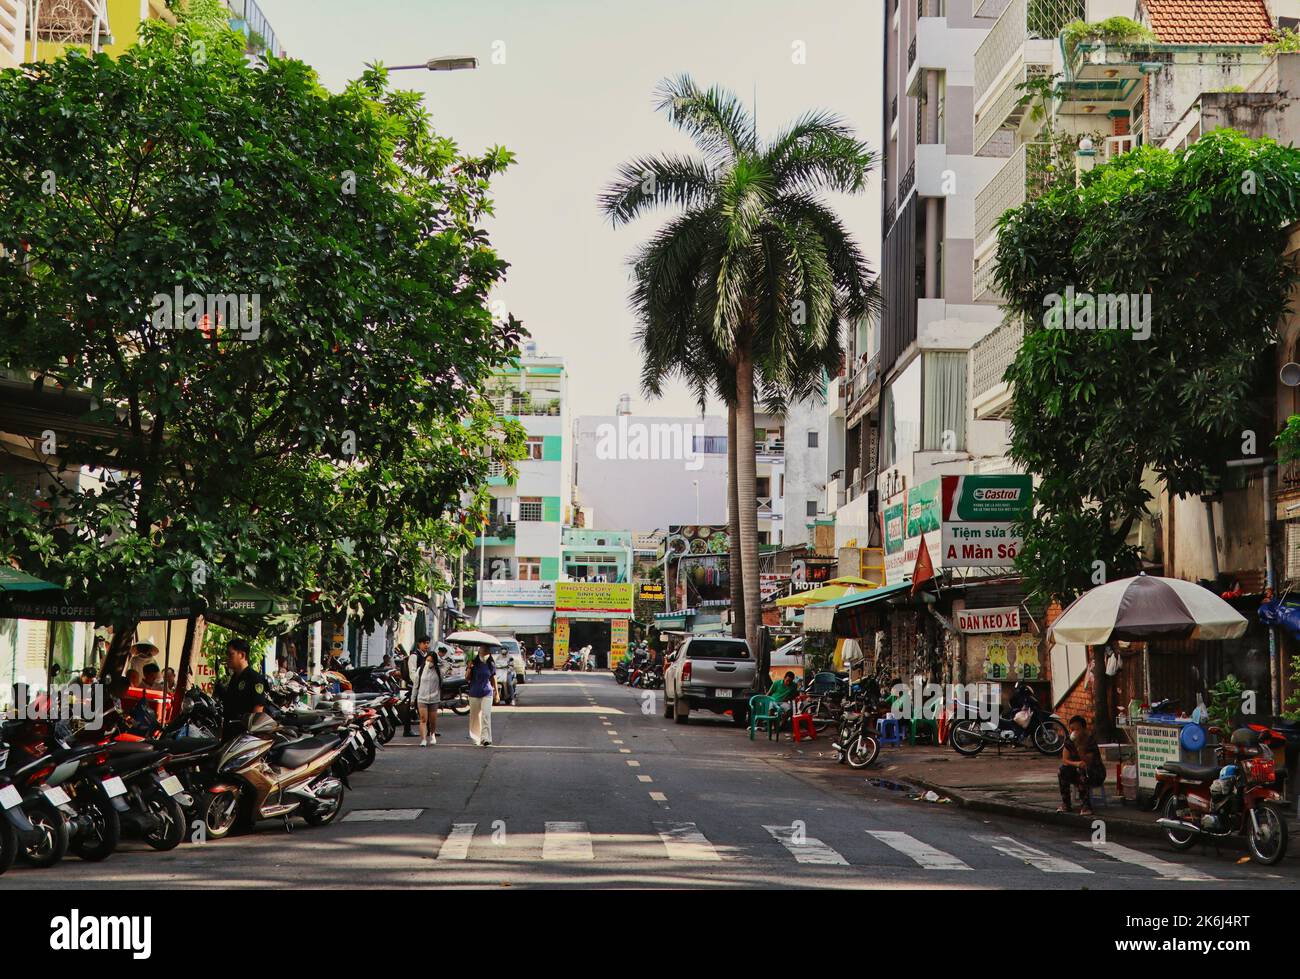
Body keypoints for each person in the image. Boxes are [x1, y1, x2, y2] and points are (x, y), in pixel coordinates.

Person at [219, 638, 267, 738]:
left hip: (243, 735)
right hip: (230, 732)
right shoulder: (234, 678)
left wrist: (251, 734)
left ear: (242, 655)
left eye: (230, 654)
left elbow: (258, 708)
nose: (227, 657)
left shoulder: (254, 678)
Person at [1058, 715, 1106, 815]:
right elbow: (1065, 759)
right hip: (1077, 770)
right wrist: (1075, 763)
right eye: (1072, 729)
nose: (1075, 732)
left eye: (1077, 729)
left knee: (1082, 770)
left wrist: (1080, 748)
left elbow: (1088, 760)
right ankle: (1066, 803)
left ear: (1083, 729)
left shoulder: (1090, 740)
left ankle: (1086, 805)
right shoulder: (1070, 741)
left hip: (1094, 772)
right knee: (1062, 770)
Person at [466, 646, 498, 747]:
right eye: (483, 650)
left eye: (487, 650)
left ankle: (486, 738)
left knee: (486, 716)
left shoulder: (490, 663)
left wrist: (496, 692)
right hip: (474, 692)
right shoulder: (473, 662)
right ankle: (476, 737)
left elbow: (493, 678)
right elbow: (467, 678)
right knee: (475, 717)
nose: (485, 652)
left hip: (487, 692)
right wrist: (469, 668)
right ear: (479, 651)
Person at [411, 645, 443, 746]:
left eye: (431, 661)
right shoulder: (420, 670)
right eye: (427, 660)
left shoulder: (438, 671)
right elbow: (415, 686)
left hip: (434, 699)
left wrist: (441, 661)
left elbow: (441, 684)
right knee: (423, 719)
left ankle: (432, 734)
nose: (429, 662)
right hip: (422, 698)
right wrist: (413, 699)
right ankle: (423, 739)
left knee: (432, 720)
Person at [403, 636, 430, 737]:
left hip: (424, 686)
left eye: (428, 643)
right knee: (411, 707)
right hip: (414, 686)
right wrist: (418, 683)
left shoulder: (427, 656)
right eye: (425, 643)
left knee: (425, 707)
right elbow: (412, 672)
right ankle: (407, 730)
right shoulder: (414, 656)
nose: (426, 645)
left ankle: (429, 730)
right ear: (419, 644)